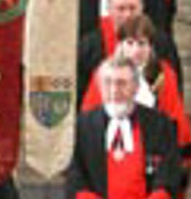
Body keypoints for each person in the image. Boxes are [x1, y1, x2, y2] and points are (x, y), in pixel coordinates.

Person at [81, 16, 191, 176]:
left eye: (142, 43)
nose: (136, 51)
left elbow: (175, 114)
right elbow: (90, 114)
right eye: (130, 43)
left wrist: (182, 155)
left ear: (150, 46)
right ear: (121, 45)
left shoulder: (163, 74)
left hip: (152, 151)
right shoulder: (104, 73)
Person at [66, 56, 181, 199]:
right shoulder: (83, 126)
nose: (114, 91)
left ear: (135, 87)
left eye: (122, 83)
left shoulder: (159, 124)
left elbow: (169, 170)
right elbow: (75, 175)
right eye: (108, 83)